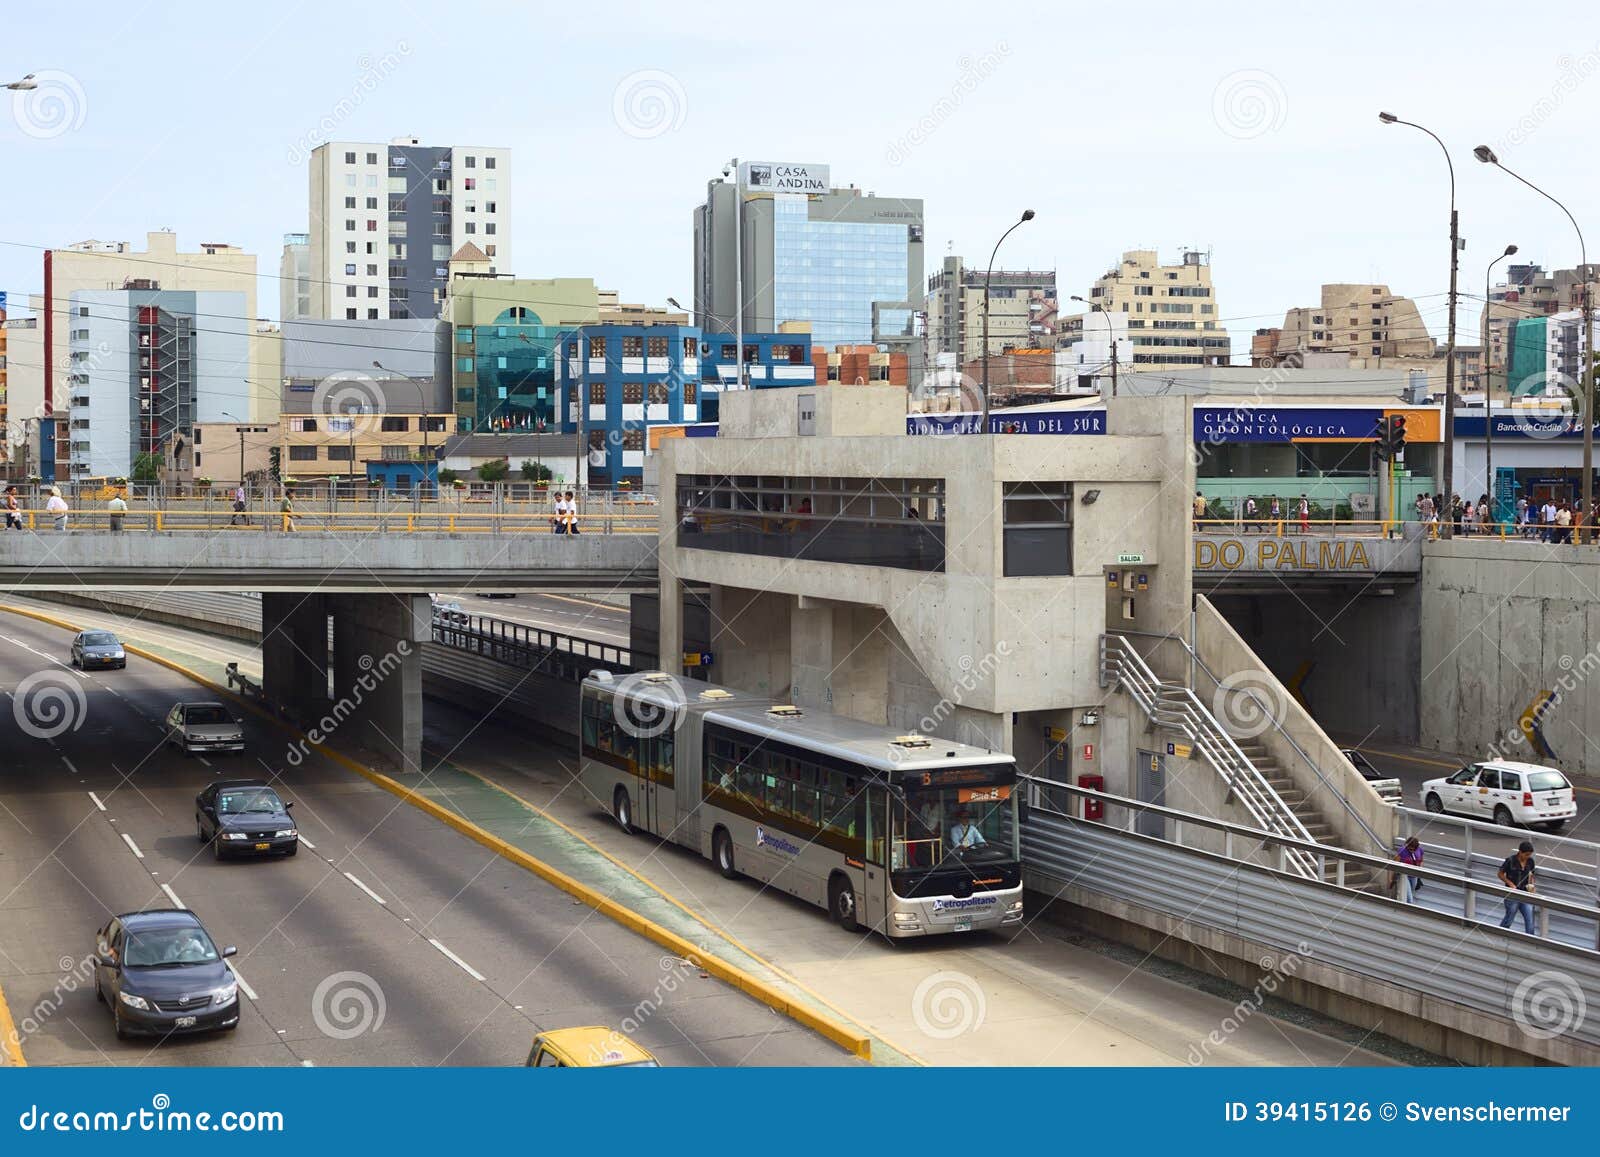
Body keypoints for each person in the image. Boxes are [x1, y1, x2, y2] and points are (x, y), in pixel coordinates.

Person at [1497, 839, 1538, 934]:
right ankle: (1500, 934)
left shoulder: (1530, 861)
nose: (1528, 857)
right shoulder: (1510, 860)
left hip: (1525, 894)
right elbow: (1500, 874)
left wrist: (1532, 886)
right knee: (1509, 918)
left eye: (1529, 855)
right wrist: (1510, 883)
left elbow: (1531, 875)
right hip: (1512, 895)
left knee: (1530, 920)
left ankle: (1530, 940)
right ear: (1520, 852)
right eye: (1526, 854)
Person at [1397, 836, 1424, 902]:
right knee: (1409, 898)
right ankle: (1409, 908)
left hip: (1414, 875)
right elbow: (1395, 863)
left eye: (1413, 849)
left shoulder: (1420, 850)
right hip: (1404, 875)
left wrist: (1420, 869)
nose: (1411, 851)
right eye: (1409, 849)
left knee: (1410, 893)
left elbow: (1421, 861)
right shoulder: (1402, 851)